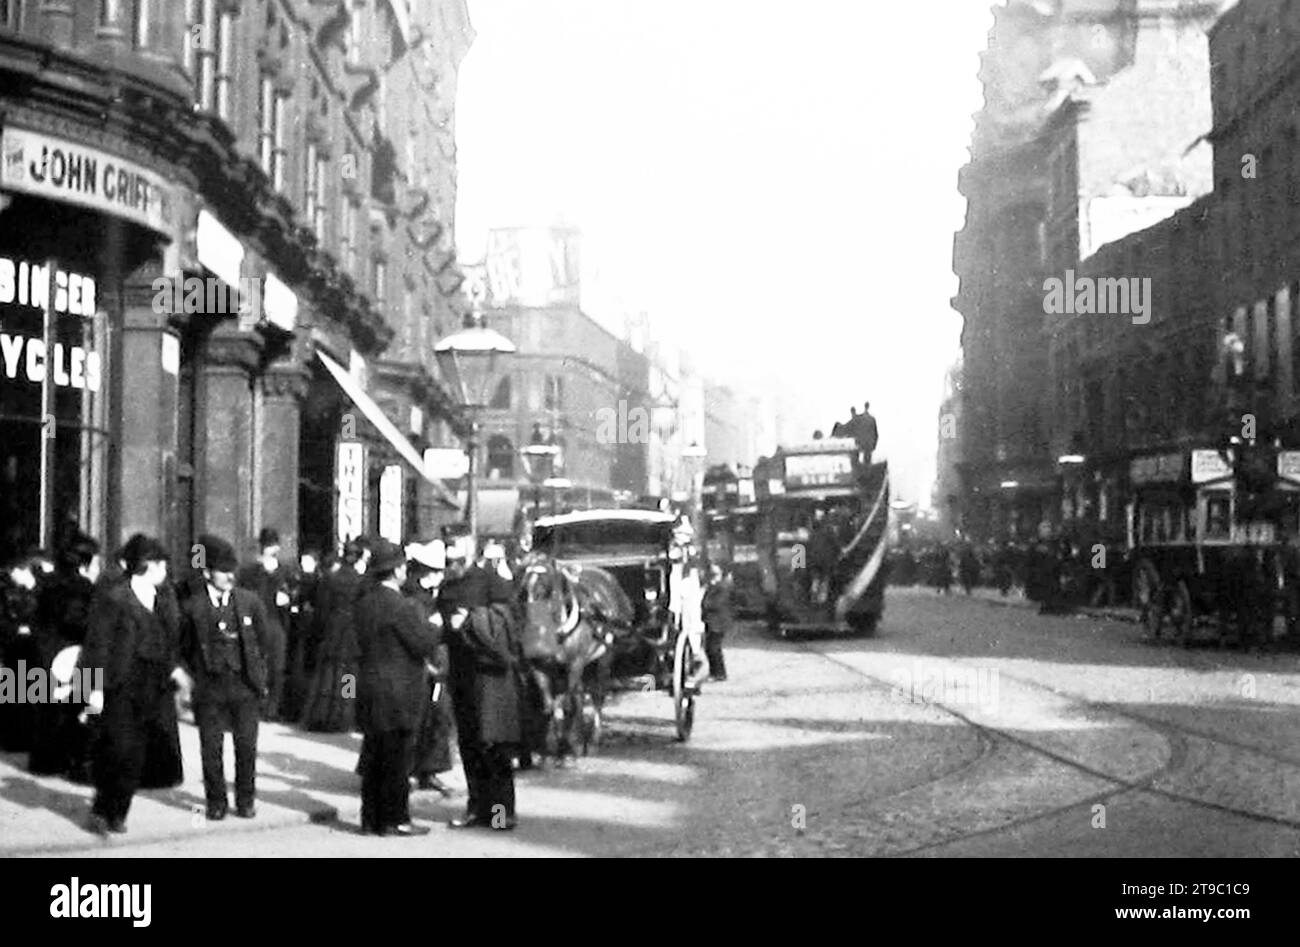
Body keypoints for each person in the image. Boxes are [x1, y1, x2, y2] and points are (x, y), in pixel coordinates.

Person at [81, 536, 190, 835]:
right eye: (159, 563)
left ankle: (117, 812)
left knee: (137, 755)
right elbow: (97, 645)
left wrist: (176, 670)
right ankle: (102, 808)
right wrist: (93, 690)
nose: (164, 568)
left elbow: (170, 643)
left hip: (152, 687)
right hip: (119, 686)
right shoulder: (114, 598)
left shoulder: (164, 598)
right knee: (118, 749)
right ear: (146, 565)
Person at [179, 535, 272, 821]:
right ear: (208, 573)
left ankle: (246, 800)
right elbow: (182, 647)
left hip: (244, 685)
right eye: (222, 571)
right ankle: (216, 801)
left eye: (233, 571)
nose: (229, 577)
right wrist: (188, 678)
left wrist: (258, 677)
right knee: (211, 748)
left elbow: (263, 641)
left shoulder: (249, 602)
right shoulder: (193, 607)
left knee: (246, 747)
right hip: (209, 687)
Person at [355, 539, 440, 836]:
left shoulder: (364, 603)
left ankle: (370, 820)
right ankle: (396, 818)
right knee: (397, 760)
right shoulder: (400, 606)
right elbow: (423, 643)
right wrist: (436, 625)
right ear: (397, 571)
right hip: (398, 691)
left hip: (368, 686)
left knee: (373, 755)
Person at [440, 536, 521, 831]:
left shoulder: (491, 582)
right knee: (469, 746)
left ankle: (501, 814)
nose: (453, 567)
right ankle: (476, 808)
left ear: (470, 555)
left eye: (458, 561)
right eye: (448, 562)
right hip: (461, 677)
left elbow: (509, 621)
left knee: (495, 749)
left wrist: (472, 621)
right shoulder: (446, 587)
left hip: (491, 680)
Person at [29, 532, 101, 780]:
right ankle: (78, 763)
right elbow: (79, 621)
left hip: (45, 651)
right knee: (79, 709)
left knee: (47, 709)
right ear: (85, 562)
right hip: (74, 655)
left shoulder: (46, 583)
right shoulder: (83, 588)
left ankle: (44, 761)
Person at [300, 539, 368, 732]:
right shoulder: (361, 581)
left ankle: (322, 714)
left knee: (328, 674)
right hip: (351, 630)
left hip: (333, 629)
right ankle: (345, 714)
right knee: (348, 674)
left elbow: (321, 608)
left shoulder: (331, 579)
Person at [403, 540, 454, 796]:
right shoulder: (413, 598)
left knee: (437, 719)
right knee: (419, 720)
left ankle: (429, 769)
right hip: (420, 668)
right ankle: (412, 770)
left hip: (435, 667)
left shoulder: (431, 596)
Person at [236, 528, 292, 721]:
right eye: (268, 546)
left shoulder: (285, 570)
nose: (272, 550)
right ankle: (257, 705)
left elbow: (291, 591)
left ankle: (272, 709)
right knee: (257, 665)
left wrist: (287, 597)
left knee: (277, 667)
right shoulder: (250, 570)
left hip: (276, 621)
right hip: (257, 621)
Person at [701, 565, 733, 682]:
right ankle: (714, 672)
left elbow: (717, 603)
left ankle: (719, 673)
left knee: (713, 648)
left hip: (718, 622)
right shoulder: (713, 586)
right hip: (711, 621)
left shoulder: (722, 587)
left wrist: (705, 604)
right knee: (710, 648)